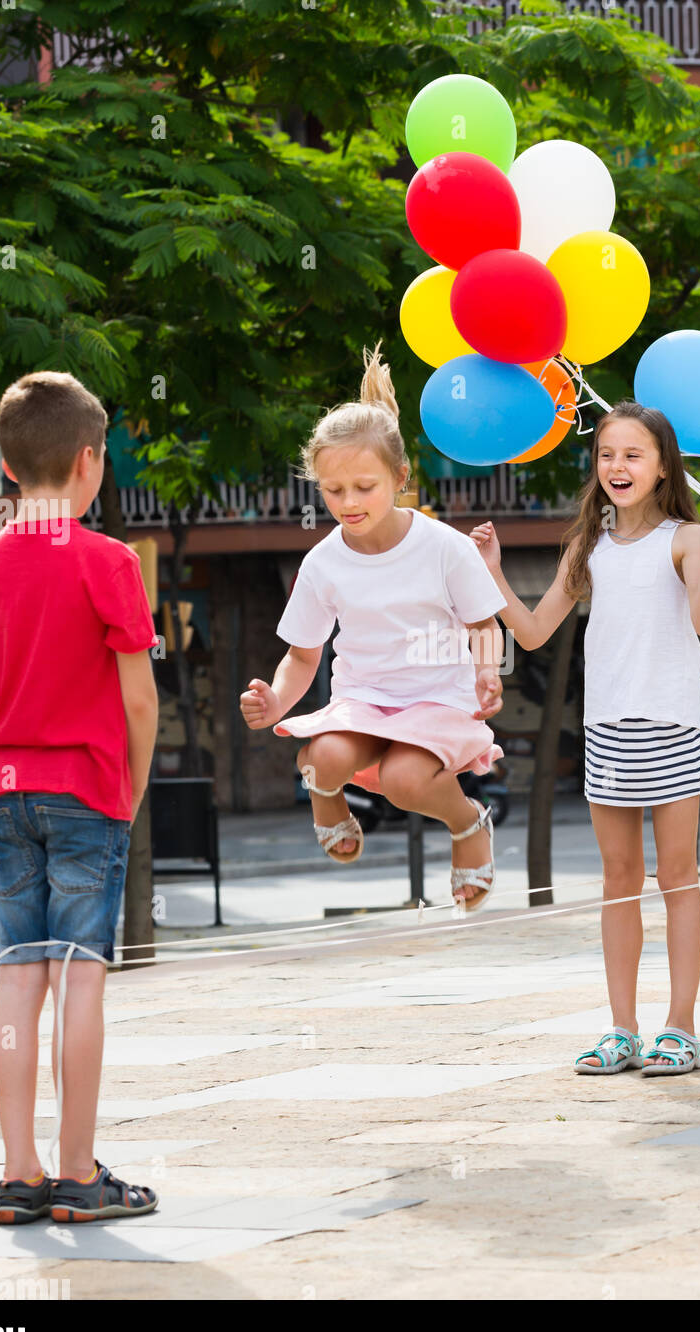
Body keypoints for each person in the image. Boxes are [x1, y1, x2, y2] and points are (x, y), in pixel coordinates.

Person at [471, 401, 700, 1075]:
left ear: (662, 466)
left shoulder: (681, 538)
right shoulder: (586, 546)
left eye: (633, 455)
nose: (617, 467)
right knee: (618, 882)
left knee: (676, 878)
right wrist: (494, 572)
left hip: (671, 725)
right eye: (607, 454)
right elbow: (531, 632)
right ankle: (622, 1028)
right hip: (606, 730)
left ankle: (681, 1027)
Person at [0, 371, 161, 1222]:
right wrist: (130, 790)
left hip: (6, 792)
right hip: (86, 792)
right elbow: (139, 698)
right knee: (81, 977)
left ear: (10, 469)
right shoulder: (108, 561)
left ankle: (19, 1172)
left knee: (19, 977)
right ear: (88, 462)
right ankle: (80, 1171)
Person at [239, 343, 507, 911]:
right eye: (333, 491)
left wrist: (487, 672)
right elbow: (303, 657)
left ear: (400, 475)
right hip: (365, 699)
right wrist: (277, 702)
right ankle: (327, 801)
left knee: (409, 782)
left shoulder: (445, 548)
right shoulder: (323, 561)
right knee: (322, 756)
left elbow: (483, 623)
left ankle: (468, 824)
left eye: (364, 487)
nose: (348, 502)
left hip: (436, 700)